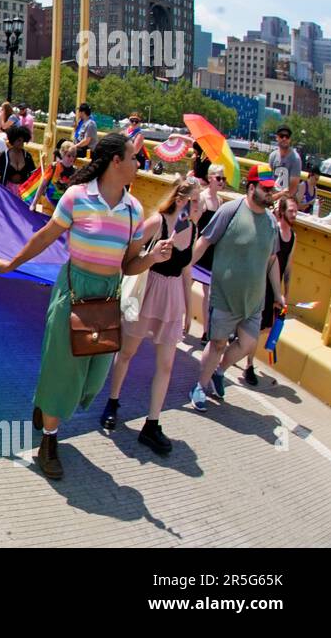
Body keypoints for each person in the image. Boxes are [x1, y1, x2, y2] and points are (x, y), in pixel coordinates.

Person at [0, 133, 171, 479]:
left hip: (107, 297)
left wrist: (152, 258)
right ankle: (49, 441)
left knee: (93, 377)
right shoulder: (77, 197)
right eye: (135, 158)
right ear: (115, 162)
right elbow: (45, 236)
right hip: (74, 289)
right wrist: (13, 264)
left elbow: (129, 264)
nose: (140, 165)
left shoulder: (134, 209)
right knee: (64, 370)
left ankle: (47, 404)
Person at [100, 176, 202, 454]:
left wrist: (188, 313)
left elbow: (186, 270)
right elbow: (128, 256)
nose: (200, 207)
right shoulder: (158, 223)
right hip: (147, 291)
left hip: (171, 298)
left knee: (166, 364)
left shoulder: (192, 229)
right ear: (181, 200)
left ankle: (152, 423)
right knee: (127, 352)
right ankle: (113, 400)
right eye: (196, 202)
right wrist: (152, 256)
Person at [187, 163, 284, 412]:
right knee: (218, 343)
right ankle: (200, 384)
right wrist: (184, 267)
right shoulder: (230, 210)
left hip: (254, 299)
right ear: (252, 188)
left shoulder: (271, 223)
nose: (270, 194)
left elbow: (272, 261)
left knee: (248, 343)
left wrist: (279, 294)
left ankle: (219, 371)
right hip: (225, 295)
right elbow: (205, 240)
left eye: (272, 189)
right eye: (266, 189)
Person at [246, 194, 297, 387]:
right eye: (291, 211)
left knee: (265, 328)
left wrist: (286, 292)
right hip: (262, 284)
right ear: (282, 212)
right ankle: (249, 365)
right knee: (257, 327)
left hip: (275, 288)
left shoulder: (292, 237)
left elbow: (288, 267)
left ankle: (239, 342)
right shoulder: (272, 230)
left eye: (296, 211)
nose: (294, 214)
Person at [194, 163, 226, 345]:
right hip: (198, 250)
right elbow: (195, 223)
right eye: (219, 178)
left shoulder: (220, 202)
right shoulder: (203, 199)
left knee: (209, 293)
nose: (222, 182)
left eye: (223, 179)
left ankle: (206, 331)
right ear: (210, 178)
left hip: (211, 251)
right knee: (183, 286)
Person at [0, 125, 36, 197]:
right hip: (7, 191)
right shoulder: (5, 155)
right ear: (13, 140)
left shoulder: (27, 156)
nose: (21, 143)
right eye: (19, 140)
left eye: (23, 140)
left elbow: (33, 173)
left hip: (23, 192)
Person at [268, 126, 303, 192]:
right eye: (281, 136)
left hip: (286, 198)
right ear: (277, 138)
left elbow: (293, 188)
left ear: (290, 139)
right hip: (272, 195)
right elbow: (268, 179)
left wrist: (279, 198)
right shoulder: (273, 155)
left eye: (287, 136)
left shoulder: (295, 159)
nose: (284, 138)